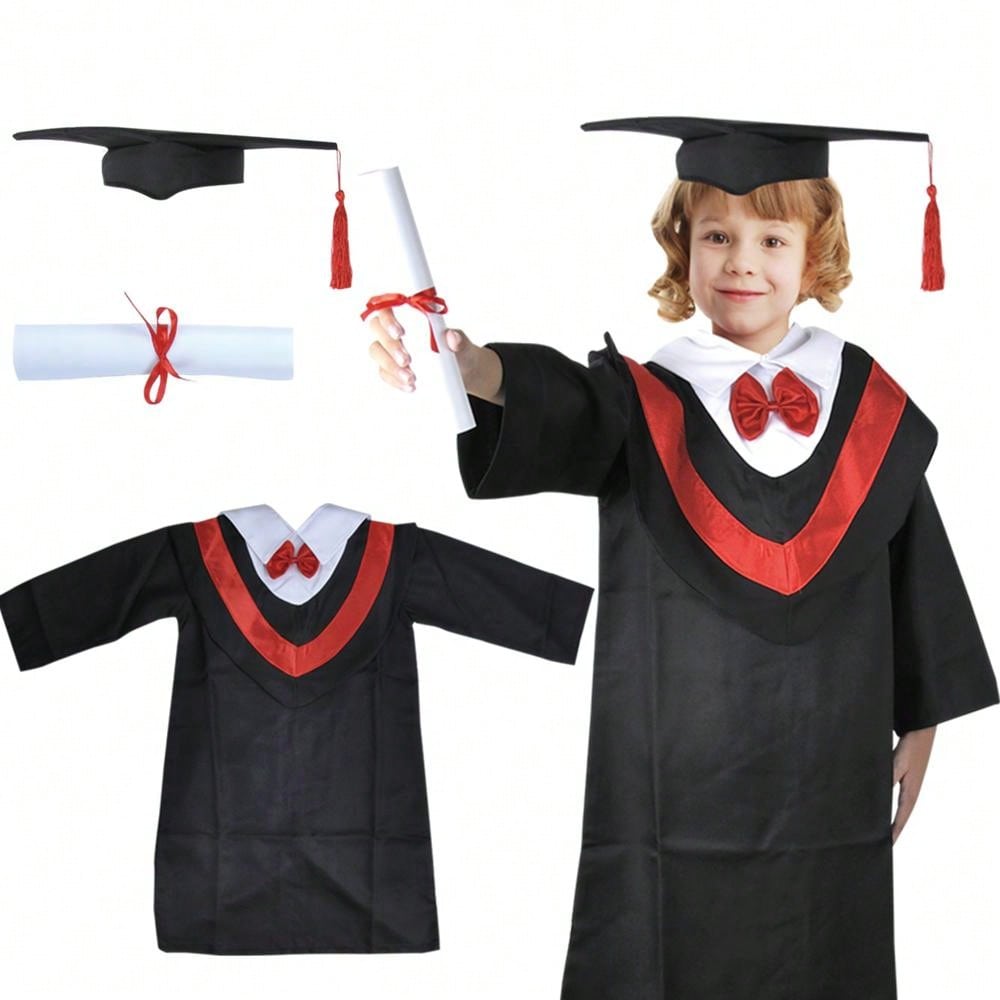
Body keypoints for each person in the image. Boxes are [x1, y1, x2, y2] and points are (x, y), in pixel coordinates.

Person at [366, 118, 998, 1000]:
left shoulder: (870, 410)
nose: (743, 261)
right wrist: (469, 366)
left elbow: (912, 566)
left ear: (816, 255)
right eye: (717, 236)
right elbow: (558, 405)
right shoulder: (641, 403)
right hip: (672, 776)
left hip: (830, 767)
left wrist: (923, 720)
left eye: (772, 239)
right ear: (683, 250)